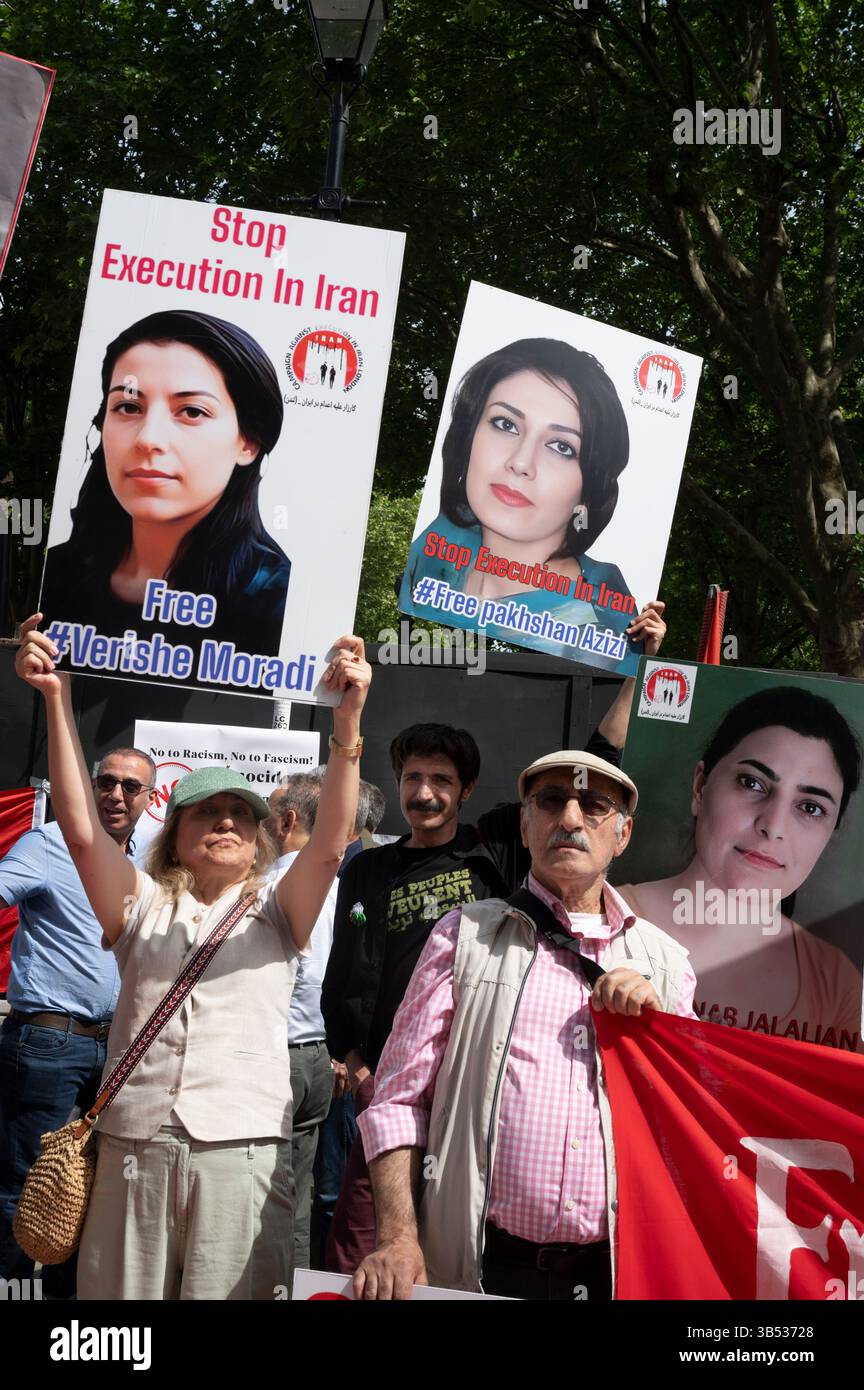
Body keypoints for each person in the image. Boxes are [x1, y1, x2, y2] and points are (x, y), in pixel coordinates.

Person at [14, 612, 370, 1301]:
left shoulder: (279, 910)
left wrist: (348, 726)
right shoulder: (139, 904)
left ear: (263, 839)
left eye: (242, 815)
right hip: (131, 1152)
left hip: (242, 1155)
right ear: (175, 835)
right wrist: (56, 698)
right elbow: (85, 837)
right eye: (208, 813)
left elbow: (328, 845)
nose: (228, 823)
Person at [321, 601, 667, 1273]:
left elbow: (591, 768)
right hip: (383, 1097)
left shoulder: (495, 849)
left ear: (466, 790)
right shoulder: (368, 867)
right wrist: (355, 1060)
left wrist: (637, 667)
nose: (425, 792)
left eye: (441, 780)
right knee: (367, 1255)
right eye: (413, 778)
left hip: (465, 1100)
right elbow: (346, 973)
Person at [353, 749, 696, 1300]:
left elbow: (690, 1125)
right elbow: (397, 1102)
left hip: (614, 1272)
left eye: (593, 806)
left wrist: (659, 1035)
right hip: (483, 1267)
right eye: (552, 801)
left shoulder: (668, 965)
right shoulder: (462, 937)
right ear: (524, 822)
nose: (569, 819)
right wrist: (397, 1236)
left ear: (623, 834)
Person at [40, 309, 290, 670]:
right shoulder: (60, 574)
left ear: (248, 442)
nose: (148, 439)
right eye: (128, 406)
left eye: (191, 411)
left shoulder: (276, 600)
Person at [617, 686, 864, 1050]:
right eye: (752, 783)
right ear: (700, 787)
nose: (773, 826)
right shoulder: (604, 922)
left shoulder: (837, 982)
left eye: (811, 807)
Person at [0, 747, 156, 1297]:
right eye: (106, 782)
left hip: (115, 1049)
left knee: (85, 1186)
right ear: (90, 787)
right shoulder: (48, 844)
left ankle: (66, 1305)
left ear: (149, 798)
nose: (116, 794)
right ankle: (12, 1292)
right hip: (48, 1041)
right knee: (25, 1182)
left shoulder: (145, 860)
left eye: (129, 787)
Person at [399, 338, 640, 670]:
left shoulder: (600, 629)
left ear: (589, 490)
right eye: (505, 424)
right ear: (468, 437)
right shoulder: (437, 543)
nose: (521, 462)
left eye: (561, 447)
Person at [266, 770, 346, 1271]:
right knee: (296, 1196)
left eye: (268, 817)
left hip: (278, 1059)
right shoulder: (343, 889)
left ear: (288, 821)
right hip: (318, 1057)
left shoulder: (270, 885)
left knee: (260, 1196)